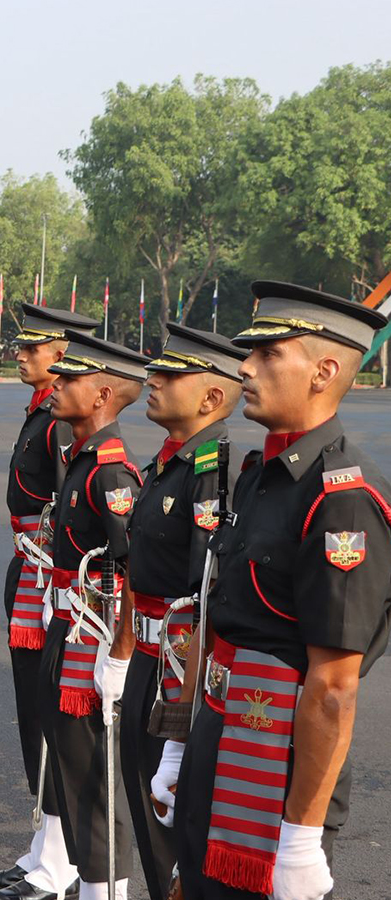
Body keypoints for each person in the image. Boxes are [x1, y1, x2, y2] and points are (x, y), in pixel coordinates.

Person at [154, 282, 391, 900]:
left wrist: (302, 837)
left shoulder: (341, 500)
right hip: (219, 728)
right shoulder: (261, 477)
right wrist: (182, 747)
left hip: (277, 760)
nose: (245, 368)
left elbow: (335, 686)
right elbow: (218, 619)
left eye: (267, 355)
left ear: (325, 372)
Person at [97, 324, 244, 900]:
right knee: (148, 814)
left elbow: (204, 604)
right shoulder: (170, 464)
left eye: (169, 375)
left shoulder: (213, 470)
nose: (151, 382)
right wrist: (124, 652)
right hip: (151, 667)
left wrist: (181, 729)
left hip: (179, 678)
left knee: (174, 830)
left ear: (210, 398)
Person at [25, 331, 148, 900]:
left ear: (100, 394)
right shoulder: (82, 460)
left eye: (70, 378)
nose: (57, 384)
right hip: (65, 625)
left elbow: (133, 574)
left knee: (93, 779)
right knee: (71, 772)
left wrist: (117, 657)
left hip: (91, 642)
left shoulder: (111, 473)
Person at [0, 304, 98, 898]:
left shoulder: (57, 424)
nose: (20, 354)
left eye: (33, 347)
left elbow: (68, 513)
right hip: (30, 568)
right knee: (34, 714)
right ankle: (42, 847)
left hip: (51, 580)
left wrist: (58, 588)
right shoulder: (42, 413)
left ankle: (60, 859)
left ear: (64, 354)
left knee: (53, 722)